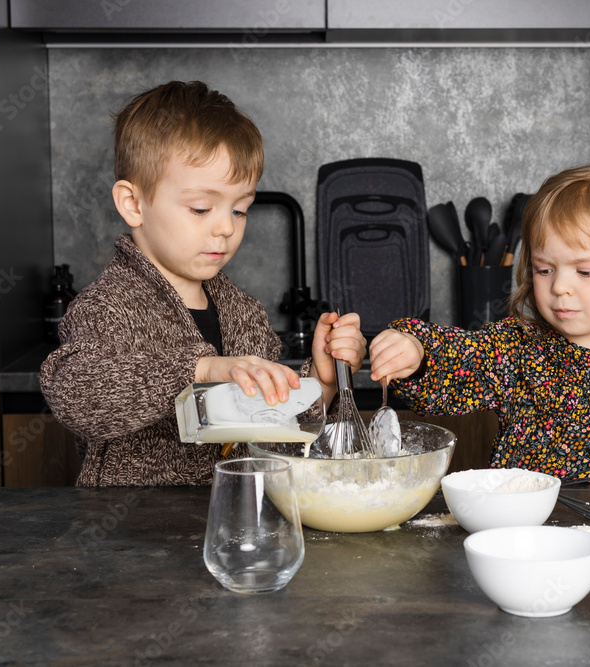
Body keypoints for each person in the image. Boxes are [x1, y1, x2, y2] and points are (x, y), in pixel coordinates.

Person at [40, 81, 366, 486]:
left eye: (241, 210)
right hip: (131, 538)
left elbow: (275, 430)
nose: (226, 227)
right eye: (201, 208)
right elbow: (77, 396)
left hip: (240, 525)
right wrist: (198, 369)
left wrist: (322, 382)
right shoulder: (107, 307)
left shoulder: (245, 313)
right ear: (133, 203)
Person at [369, 163, 590, 490]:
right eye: (544, 269)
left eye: (585, 271)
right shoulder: (520, 349)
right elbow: (459, 357)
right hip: (530, 542)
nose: (559, 286)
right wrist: (417, 351)